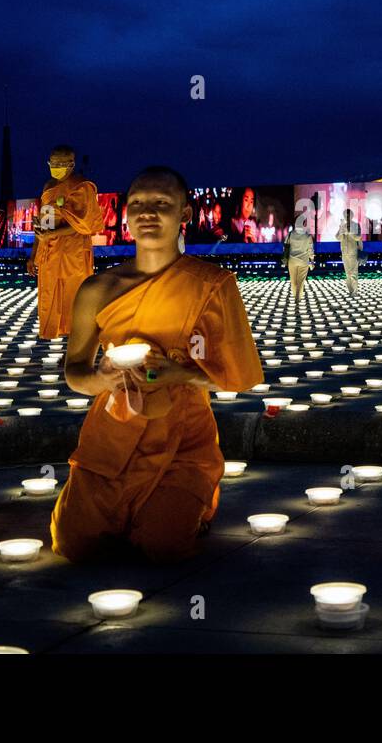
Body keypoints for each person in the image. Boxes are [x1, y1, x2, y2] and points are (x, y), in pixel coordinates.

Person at [50, 166, 262, 563]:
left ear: (184, 214)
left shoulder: (212, 284)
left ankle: (193, 502)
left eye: (161, 204)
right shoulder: (98, 289)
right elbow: (75, 370)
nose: (147, 213)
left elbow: (239, 376)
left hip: (182, 439)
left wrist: (180, 373)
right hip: (112, 433)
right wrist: (102, 380)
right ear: (126, 215)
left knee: (163, 546)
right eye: (137, 205)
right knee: (74, 544)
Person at [26, 145, 103, 339]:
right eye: (53, 163)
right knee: (51, 296)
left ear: (72, 164)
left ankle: (76, 349)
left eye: (61, 163)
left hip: (72, 252)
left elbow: (86, 224)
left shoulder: (81, 186)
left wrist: (53, 234)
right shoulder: (48, 187)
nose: (56, 167)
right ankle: (59, 340)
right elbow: (45, 223)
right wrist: (33, 255)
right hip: (50, 252)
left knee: (74, 297)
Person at [283, 220, 315, 305]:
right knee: (301, 281)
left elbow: (285, 246)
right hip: (303, 261)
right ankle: (298, 297)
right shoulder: (308, 236)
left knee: (293, 281)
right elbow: (310, 250)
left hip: (292, 261)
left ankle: (296, 296)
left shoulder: (290, 234)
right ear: (304, 224)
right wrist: (312, 260)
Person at [335, 207, 363, 295]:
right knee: (347, 274)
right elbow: (337, 237)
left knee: (354, 273)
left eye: (348, 215)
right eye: (345, 215)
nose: (346, 216)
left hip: (353, 252)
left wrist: (349, 232)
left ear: (351, 216)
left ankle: (354, 292)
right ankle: (350, 291)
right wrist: (341, 232)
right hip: (344, 252)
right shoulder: (342, 226)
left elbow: (358, 237)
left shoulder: (356, 225)